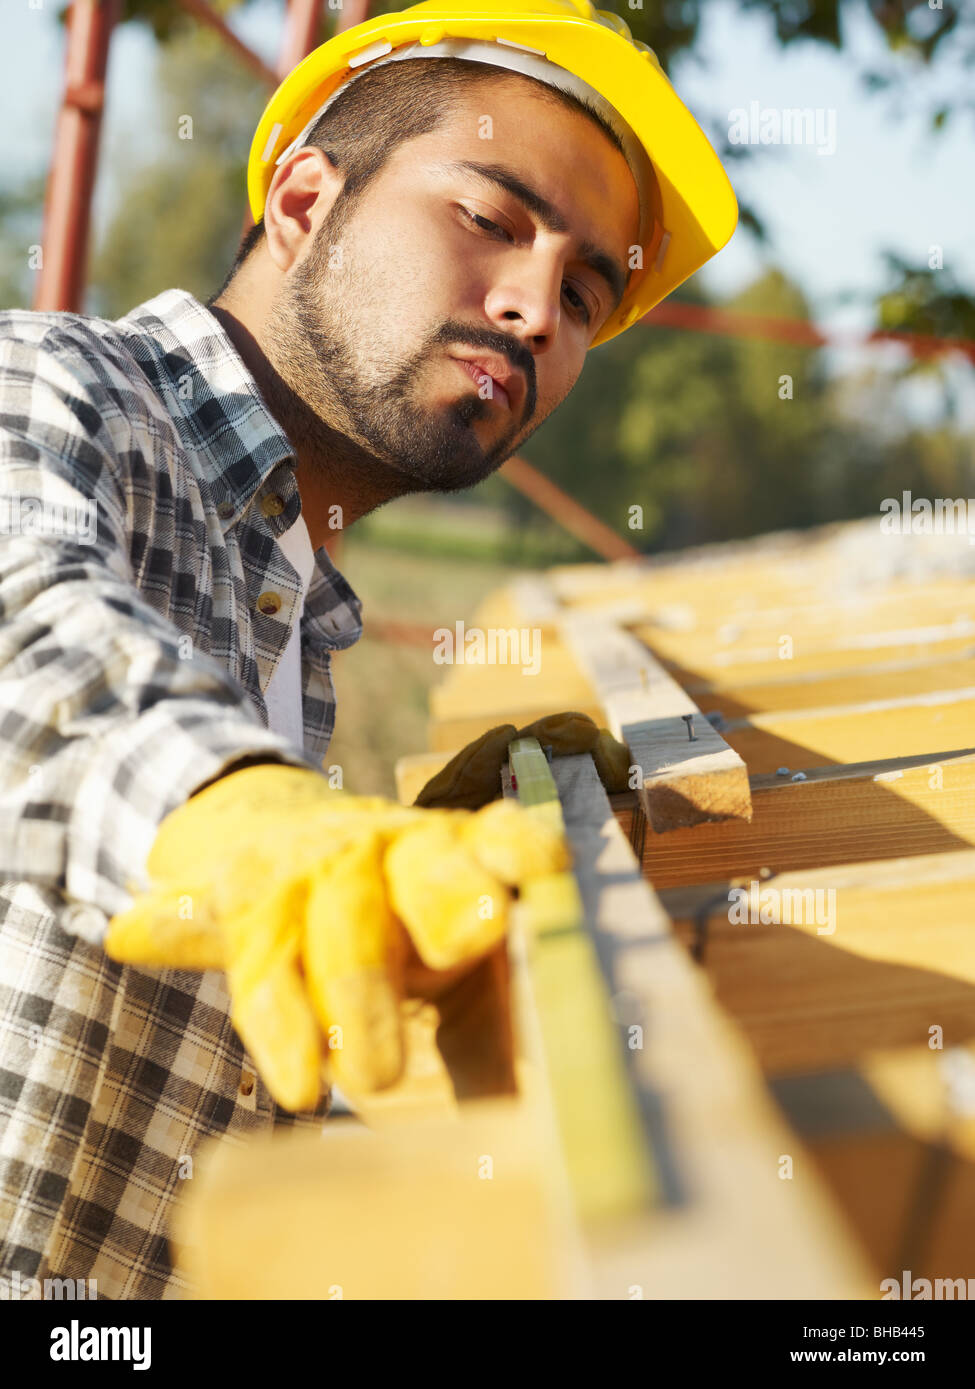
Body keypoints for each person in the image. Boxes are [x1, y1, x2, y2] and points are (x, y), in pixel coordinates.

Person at [0, 0, 736, 1299]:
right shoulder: (53, 391)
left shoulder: (296, 634)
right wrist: (231, 806)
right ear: (301, 201)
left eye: (581, 290)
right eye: (490, 220)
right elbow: (31, 618)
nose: (531, 312)